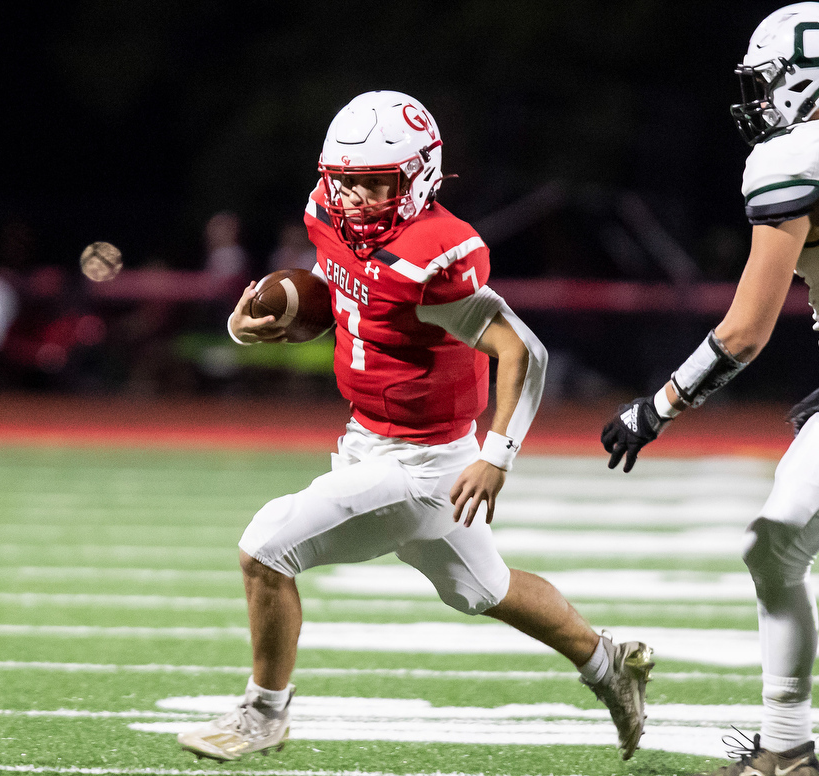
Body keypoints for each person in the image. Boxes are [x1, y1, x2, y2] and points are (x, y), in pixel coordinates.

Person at [177, 90, 654, 763]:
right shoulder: (330, 215)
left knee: (265, 549)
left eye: (375, 184)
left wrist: (498, 455)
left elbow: (522, 350)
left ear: (419, 176)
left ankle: (263, 714)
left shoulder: (434, 256)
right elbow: (340, 286)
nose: (355, 199)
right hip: (369, 439)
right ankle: (609, 664)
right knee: (484, 589)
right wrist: (255, 318)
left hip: (423, 463)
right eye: (345, 181)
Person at [600, 4, 819, 775]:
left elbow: (744, 332)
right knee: (774, 546)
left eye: (769, 80)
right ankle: (786, 750)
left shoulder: (794, 160)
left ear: (807, 78)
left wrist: (656, 409)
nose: (760, 97)